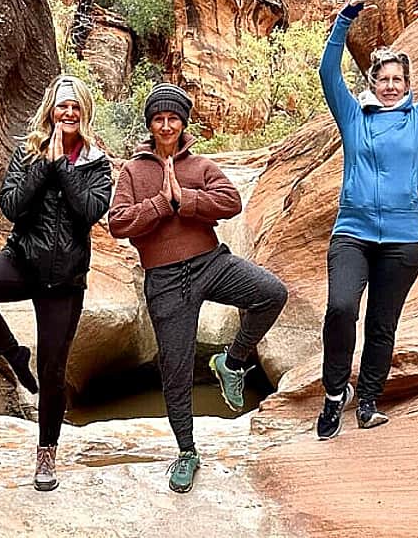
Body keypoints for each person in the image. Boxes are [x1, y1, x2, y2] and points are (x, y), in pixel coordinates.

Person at [108, 83, 289, 494]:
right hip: (165, 279)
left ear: (183, 122)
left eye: (173, 118)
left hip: (211, 262)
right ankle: (187, 452)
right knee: (176, 371)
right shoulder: (134, 172)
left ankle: (233, 360)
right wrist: (160, 203)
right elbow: (118, 224)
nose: (166, 125)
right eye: (159, 119)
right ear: (150, 125)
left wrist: (184, 199)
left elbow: (230, 202)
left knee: (271, 293)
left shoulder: (202, 165)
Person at [315, 0, 418, 439]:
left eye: (397, 80)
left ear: (407, 85)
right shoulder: (353, 117)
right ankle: (333, 394)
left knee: (383, 323)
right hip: (353, 232)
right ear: (371, 83)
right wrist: (345, 18)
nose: (389, 86)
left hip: (403, 240)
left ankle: (368, 402)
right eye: (382, 79)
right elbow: (327, 72)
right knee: (342, 308)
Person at [0, 74, 112, 492]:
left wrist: (64, 170)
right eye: (62, 105)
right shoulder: (27, 151)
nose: (68, 112)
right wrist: (45, 166)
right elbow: (12, 206)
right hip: (21, 261)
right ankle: (13, 354)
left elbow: (90, 211)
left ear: (85, 112)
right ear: (50, 110)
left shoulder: (97, 162)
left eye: (76, 106)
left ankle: (46, 454)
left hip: (65, 281)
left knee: (53, 373)